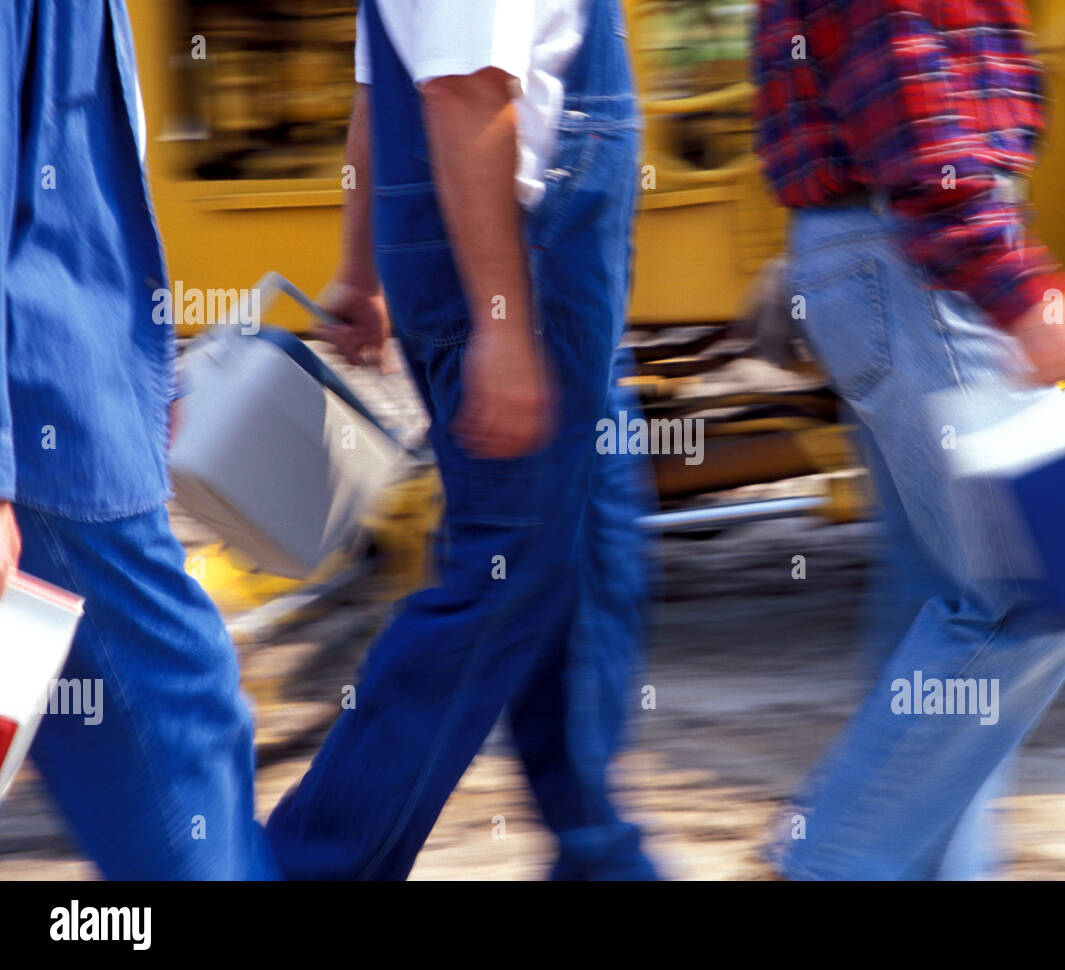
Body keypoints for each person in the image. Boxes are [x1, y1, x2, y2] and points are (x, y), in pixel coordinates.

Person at [266, 0, 657, 880]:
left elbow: (382, 91)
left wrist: (358, 270)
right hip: (524, 264)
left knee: (590, 559)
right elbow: (464, 89)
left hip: (527, 269)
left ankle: (600, 854)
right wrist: (505, 328)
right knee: (506, 571)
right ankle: (310, 861)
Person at [753, 0, 1065, 878]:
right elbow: (908, 88)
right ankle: (829, 863)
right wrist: (1013, 283)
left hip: (884, 248)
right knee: (1032, 591)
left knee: (944, 602)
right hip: (917, 252)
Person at [0, 0, 277, 878]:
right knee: (180, 725)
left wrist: (147, 358)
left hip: (74, 408)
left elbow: (80, 174)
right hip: (50, 437)